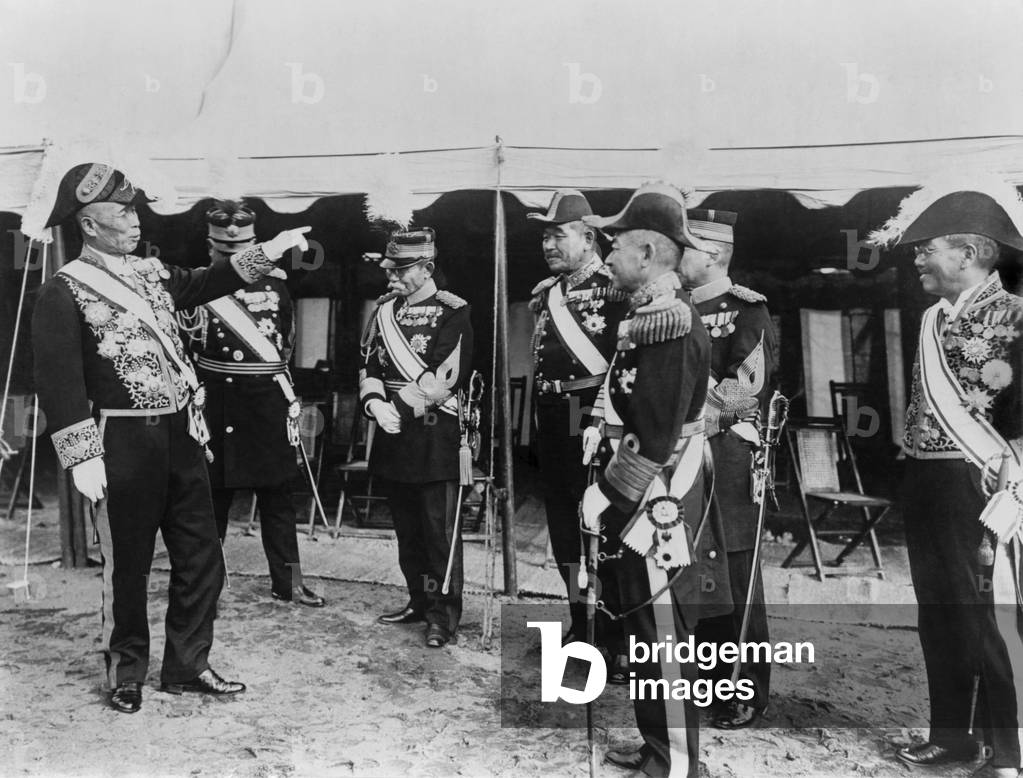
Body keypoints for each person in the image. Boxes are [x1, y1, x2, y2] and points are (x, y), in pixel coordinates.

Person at [31, 163, 310, 714]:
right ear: (89, 225)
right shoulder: (62, 292)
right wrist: (81, 453)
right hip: (121, 441)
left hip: (183, 437)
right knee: (128, 565)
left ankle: (187, 666)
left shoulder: (152, 274)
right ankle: (126, 671)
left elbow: (211, 282)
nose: (135, 221)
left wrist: (270, 249)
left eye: (134, 210)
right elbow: (58, 381)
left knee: (202, 558)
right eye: (122, 212)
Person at [869, 180, 1023, 778]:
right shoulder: (934, 318)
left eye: (928, 247)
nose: (917, 258)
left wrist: (1013, 489)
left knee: (992, 613)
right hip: (929, 484)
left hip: (987, 486)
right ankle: (952, 738)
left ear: (969, 253)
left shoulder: (1015, 317)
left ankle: (1008, 752)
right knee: (940, 611)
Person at [580, 183, 731, 777]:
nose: (608, 257)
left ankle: (675, 763)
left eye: (615, 246)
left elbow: (657, 431)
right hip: (642, 489)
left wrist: (608, 493)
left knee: (660, 630)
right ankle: (657, 745)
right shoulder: (648, 314)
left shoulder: (668, 323)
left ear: (646, 255)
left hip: (655, 495)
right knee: (643, 625)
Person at [184, 200, 325, 608]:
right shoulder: (196, 285)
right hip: (220, 402)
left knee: (279, 499)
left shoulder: (277, 283)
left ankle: (291, 582)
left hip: (266, 404)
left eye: (242, 247)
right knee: (213, 501)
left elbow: (286, 341)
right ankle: (205, 585)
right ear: (210, 246)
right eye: (225, 250)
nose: (234, 255)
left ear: (255, 243)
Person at [680, 208, 776, 729]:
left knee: (736, 572)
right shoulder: (673, 307)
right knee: (694, 569)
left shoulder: (746, 309)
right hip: (682, 461)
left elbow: (747, 380)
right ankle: (699, 684)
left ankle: (745, 693)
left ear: (714, 253)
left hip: (727, 456)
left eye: (687, 246)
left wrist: (694, 424)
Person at [526, 189, 629, 676]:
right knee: (565, 525)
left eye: (558, 235)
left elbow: (624, 360)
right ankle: (580, 624)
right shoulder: (548, 292)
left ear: (589, 239)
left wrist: (602, 417)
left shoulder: (617, 285)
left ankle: (613, 634)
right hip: (552, 413)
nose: (548, 244)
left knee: (600, 524)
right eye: (545, 236)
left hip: (590, 415)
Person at [358, 228, 474, 648]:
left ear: (426, 268)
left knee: (438, 531)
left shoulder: (453, 311)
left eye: (402, 270)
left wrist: (398, 409)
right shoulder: (384, 309)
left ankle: (444, 616)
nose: (392, 277)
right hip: (392, 436)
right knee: (407, 530)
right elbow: (368, 363)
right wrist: (374, 405)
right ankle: (418, 601)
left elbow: (447, 374)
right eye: (390, 269)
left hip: (434, 436)